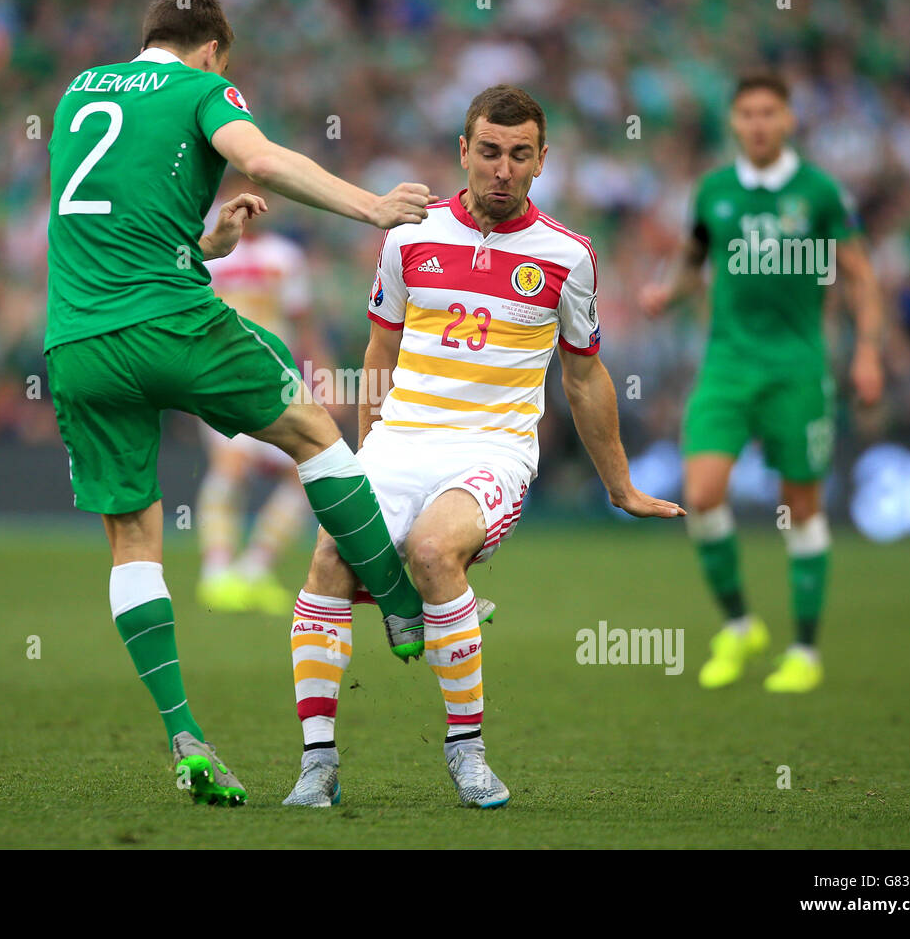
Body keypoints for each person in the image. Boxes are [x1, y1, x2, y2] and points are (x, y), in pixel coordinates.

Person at [44, 0, 438, 806]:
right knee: (315, 434)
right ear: (215, 48)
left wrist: (208, 240)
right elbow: (258, 158)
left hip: (77, 341)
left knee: (133, 543)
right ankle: (404, 611)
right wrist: (371, 206)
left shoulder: (81, 90)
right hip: (170, 321)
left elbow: (115, 219)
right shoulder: (202, 88)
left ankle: (185, 734)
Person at [282, 85, 685, 809]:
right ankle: (318, 766)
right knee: (329, 557)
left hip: (491, 451)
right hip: (399, 441)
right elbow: (381, 348)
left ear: (542, 160)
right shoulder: (407, 235)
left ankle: (466, 751)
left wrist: (619, 485)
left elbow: (586, 376)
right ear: (463, 152)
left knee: (436, 552)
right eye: (490, 152)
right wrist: (369, 452)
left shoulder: (568, 256)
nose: (503, 168)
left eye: (519, 154)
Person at [639, 71, 883, 694]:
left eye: (768, 112)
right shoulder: (715, 192)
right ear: (733, 122)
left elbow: (859, 274)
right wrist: (669, 293)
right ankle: (742, 625)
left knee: (801, 507)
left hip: (798, 368)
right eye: (746, 113)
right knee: (702, 491)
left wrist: (868, 354)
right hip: (726, 365)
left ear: (789, 120)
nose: (757, 123)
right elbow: (695, 260)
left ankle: (804, 650)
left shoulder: (820, 192)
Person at [194, 178, 325, 617]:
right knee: (232, 466)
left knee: (307, 474)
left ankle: (253, 569)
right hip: (220, 378)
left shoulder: (285, 258)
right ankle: (215, 574)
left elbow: (302, 324)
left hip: (275, 378)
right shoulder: (205, 251)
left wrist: (323, 378)